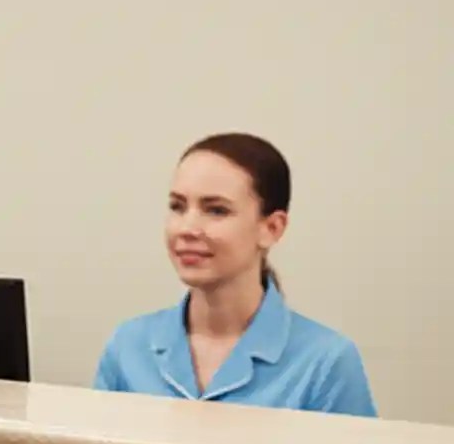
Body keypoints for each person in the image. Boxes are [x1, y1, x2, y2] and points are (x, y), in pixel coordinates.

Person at [93, 133, 377, 416]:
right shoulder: (129, 346)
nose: (187, 228)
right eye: (178, 207)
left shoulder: (325, 363)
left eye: (216, 210)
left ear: (272, 228)